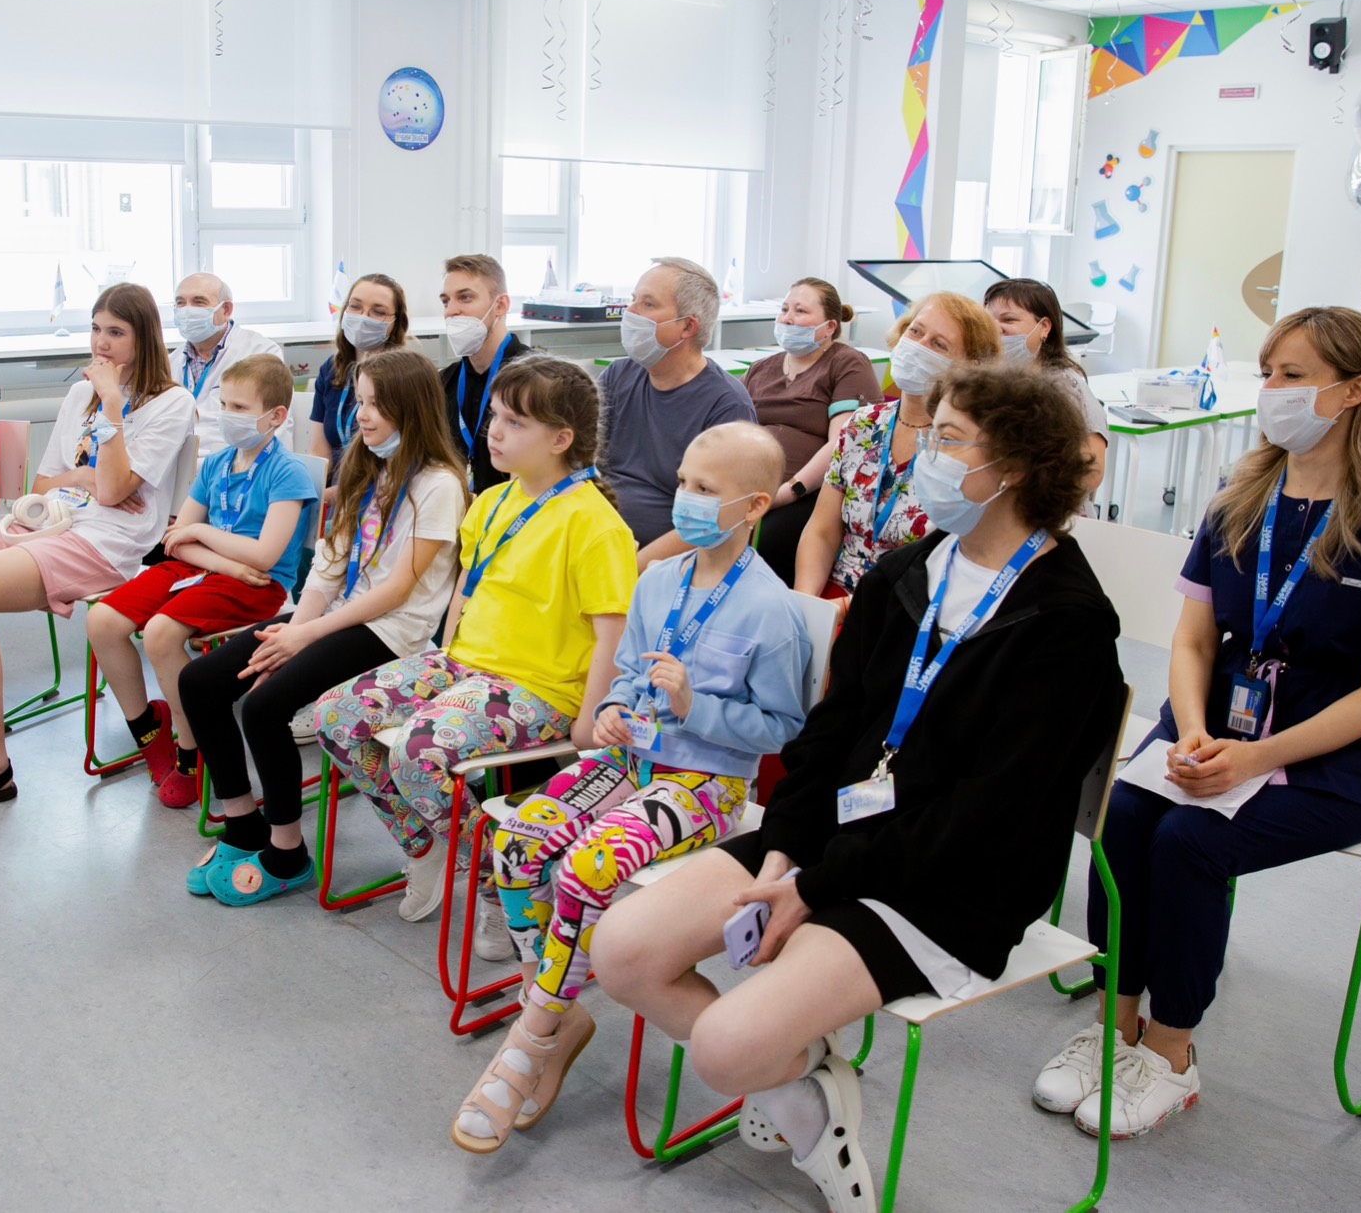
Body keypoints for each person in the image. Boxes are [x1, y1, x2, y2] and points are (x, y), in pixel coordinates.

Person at [591, 363, 1120, 1213]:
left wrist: (812, 884)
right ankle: (805, 1094)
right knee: (621, 952)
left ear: (1014, 468)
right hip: (834, 836)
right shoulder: (909, 572)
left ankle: (785, 1073)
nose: (924, 453)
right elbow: (833, 736)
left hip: (953, 878)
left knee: (725, 1047)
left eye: (948, 440)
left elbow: (988, 811)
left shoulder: (1069, 621)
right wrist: (789, 850)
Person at [1033, 306, 1361, 1141]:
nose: (1271, 392)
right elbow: (1194, 641)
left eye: (1292, 376)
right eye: (1267, 373)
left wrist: (1256, 757)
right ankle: (1113, 1028)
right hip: (1217, 727)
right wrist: (1191, 730)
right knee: (1124, 815)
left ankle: (1172, 1052)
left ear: (1354, 391)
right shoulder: (1240, 498)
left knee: (1191, 842)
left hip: (1346, 752)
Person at [454, 421, 811, 1154]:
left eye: (706, 490)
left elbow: (782, 729)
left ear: (753, 507)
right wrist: (615, 710)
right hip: (629, 763)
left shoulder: (771, 611)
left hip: (706, 784)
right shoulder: (658, 581)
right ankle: (554, 1006)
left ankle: (535, 1031)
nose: (685, 498)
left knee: (590, 865)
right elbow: (620, 679)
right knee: (518, 838)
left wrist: (696, 707)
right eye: (683, 481)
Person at [314, 355, 636, 926]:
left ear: (562, 439)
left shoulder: (595, 524)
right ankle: (427, 847)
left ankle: (501, 891)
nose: (495, 431)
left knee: (418, 754)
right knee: (338, 714)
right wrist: (440, 668)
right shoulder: (491, 500)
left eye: (515, 422)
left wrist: (593, 715)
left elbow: (614, 633)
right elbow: (465, 591)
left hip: (539, 686)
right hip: (464, 664)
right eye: (495, 416)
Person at [0, 285, 197, 814]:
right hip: (46, 522)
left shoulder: (173, 403)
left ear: (145, 340)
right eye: (96, 329)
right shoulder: (79, 396)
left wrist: (114, 411)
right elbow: (46, 481)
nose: (101, 343)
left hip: (108, 543)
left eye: (116, 333)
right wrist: (88, 474)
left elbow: (119, 491)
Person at [176, 349, 468, 905]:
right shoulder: (365, 465)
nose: (362, 415)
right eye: (360, 402)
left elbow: (398, 590)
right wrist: (293, 630)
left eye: (377, 405)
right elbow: (331, 565)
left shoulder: (440, 485)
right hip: (334, 619)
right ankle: (241, 825)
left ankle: (288, 854)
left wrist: (303, 637)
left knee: (264, 707)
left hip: (391, 632)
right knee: (202, 683)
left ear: (412, 407)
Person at [84, 354, 318, 809]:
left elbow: (265, 557)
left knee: (160, 633)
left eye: (240, 408)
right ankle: (149, 730)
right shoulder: (216, 464)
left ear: (276, 417)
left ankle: (193, 750)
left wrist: (202, 534)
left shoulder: (287, 472)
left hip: (258, 586)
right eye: (223, 404)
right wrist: (221, 557)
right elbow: (175, 541)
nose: (228, 416)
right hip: (218, 571)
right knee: (103, 620)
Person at [791, 292, 1001, 601]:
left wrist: (849, 611)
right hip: (837, 592)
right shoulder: (863, 424)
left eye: (939, 344)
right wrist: (806, 604)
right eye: (915, 331)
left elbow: (946, 566)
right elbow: (822, 531)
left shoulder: (968, 448)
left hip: (907, 606)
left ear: (970, 367)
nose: (918, 346)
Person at [597, 256, 756, 564]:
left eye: (647, 304)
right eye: (633, 300)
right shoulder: (618, 376)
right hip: (598, 539)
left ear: (687, 326)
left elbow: (713, 521)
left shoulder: (727, 406)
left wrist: (630, 570)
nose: (630, 313)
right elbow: (578, 465)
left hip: (664, 563)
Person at [743, 277, 883, 586]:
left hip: (811, 493)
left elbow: (842, 444)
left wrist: (789, 490)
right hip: (750, 486)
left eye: (801, 311)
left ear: (830, 326)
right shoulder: (761, 368)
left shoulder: (846, 364)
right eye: (784, 309)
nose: (788, 318)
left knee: (768, 541)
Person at [983, 278, 1107, 487]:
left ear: (1044, 328)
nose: (996, 328)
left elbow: (1090, 472)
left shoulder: (1067, 386)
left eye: (1009, 320)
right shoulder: (988, 381)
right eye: (988, 320)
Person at [437, 253, 538, 493]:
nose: (451, 311)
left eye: (465, 297)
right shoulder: (444, 381)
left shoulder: (535, 377)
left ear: (500, 305)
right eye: (445, 301)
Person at [309, 272, 411, 494]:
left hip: (382, 490)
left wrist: (341, 494)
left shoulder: (405, 377)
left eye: (378, 311)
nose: (364, 316)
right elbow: (319, 451)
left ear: (395, 323)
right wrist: (311, 496)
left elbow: (404, 458)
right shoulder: (331, 369)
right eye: (355, 307)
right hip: (333, 492)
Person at [169, 272, 290, 456]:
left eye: (198, 302)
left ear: (226, 310)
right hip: (179, 466)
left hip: (236, 467)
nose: (187, 310)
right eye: (180, 303)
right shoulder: (171, 363)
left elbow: (273, 429)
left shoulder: (260, 352)